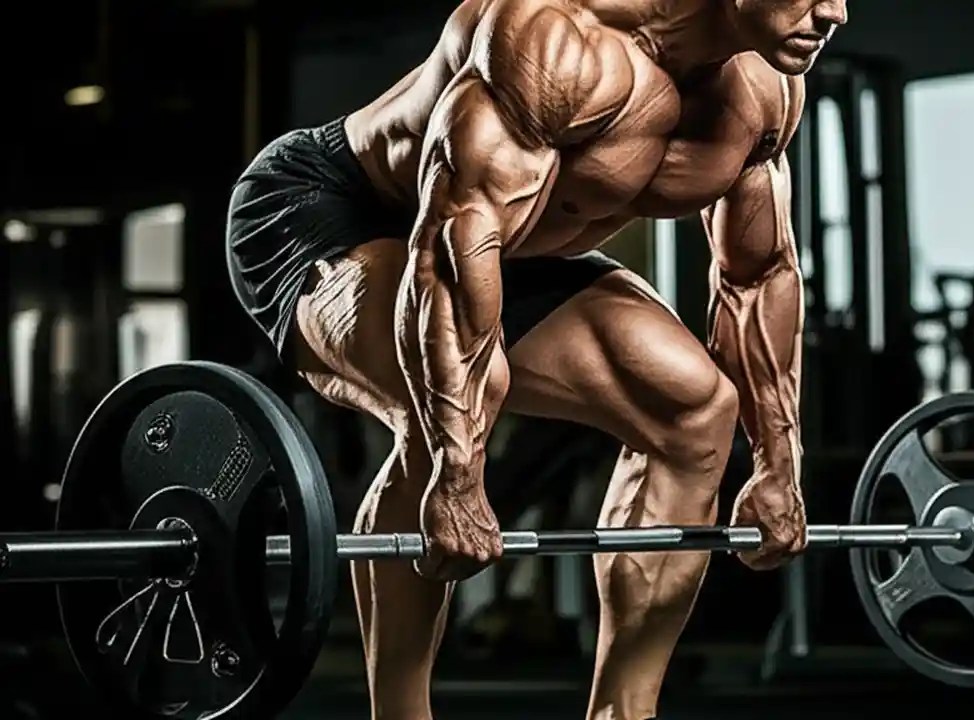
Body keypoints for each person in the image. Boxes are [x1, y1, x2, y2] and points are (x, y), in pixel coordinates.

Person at [224, 0, 847, 717]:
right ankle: (400, 712)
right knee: (454, 401)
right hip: (328, 213)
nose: (834, 12)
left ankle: (623, 712)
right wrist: (458, 474)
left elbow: (758, 275)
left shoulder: (767, 89)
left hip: (502, 244)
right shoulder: (555, 39)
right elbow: (450, 250)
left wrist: (778, 464)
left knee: (695, 408)